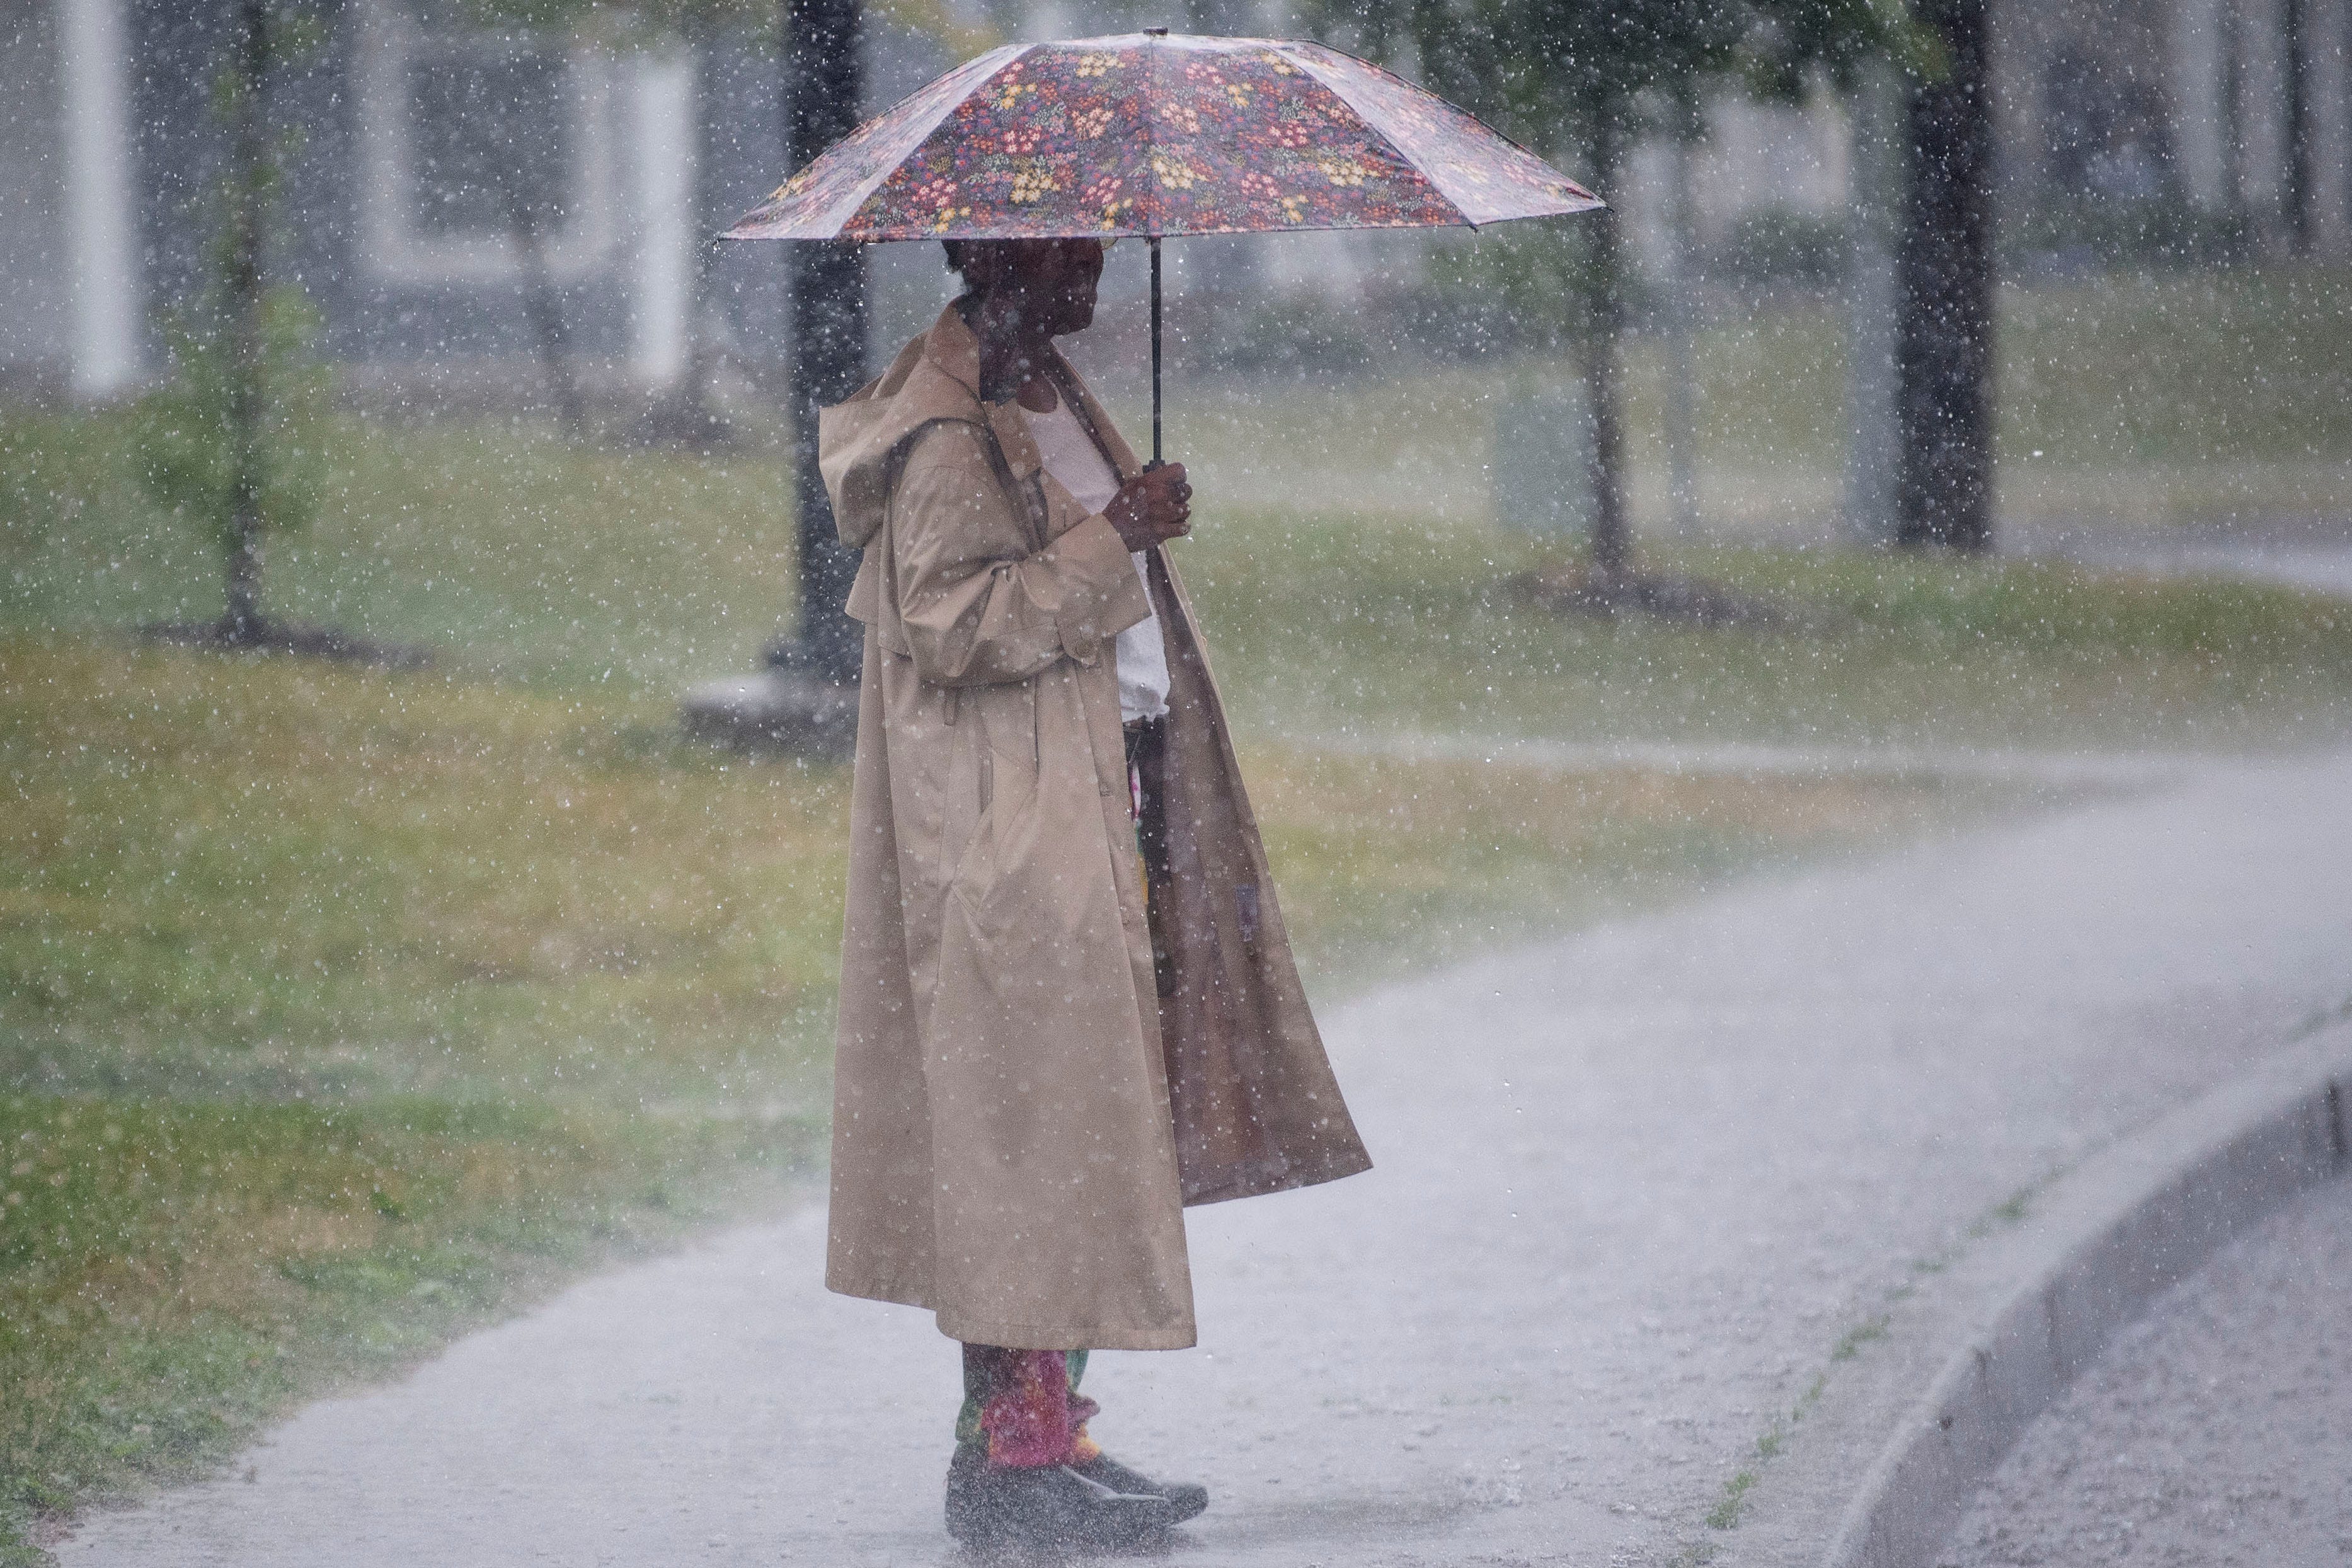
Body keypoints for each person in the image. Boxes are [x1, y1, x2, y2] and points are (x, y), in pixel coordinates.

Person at [815, 235, 1372, 1552]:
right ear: (982, 251)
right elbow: (955, 628)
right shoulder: (949, 428)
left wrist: (1128, 527)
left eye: (1097, 240)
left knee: (1069, 1133)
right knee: (1026, 1135)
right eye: (1062, 244)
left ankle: (1052, 1437)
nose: (1095, 264)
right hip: (1011, 828)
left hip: (1093, 797)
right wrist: (1115, 536)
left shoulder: (1041, 387)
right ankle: (1007, 1469)